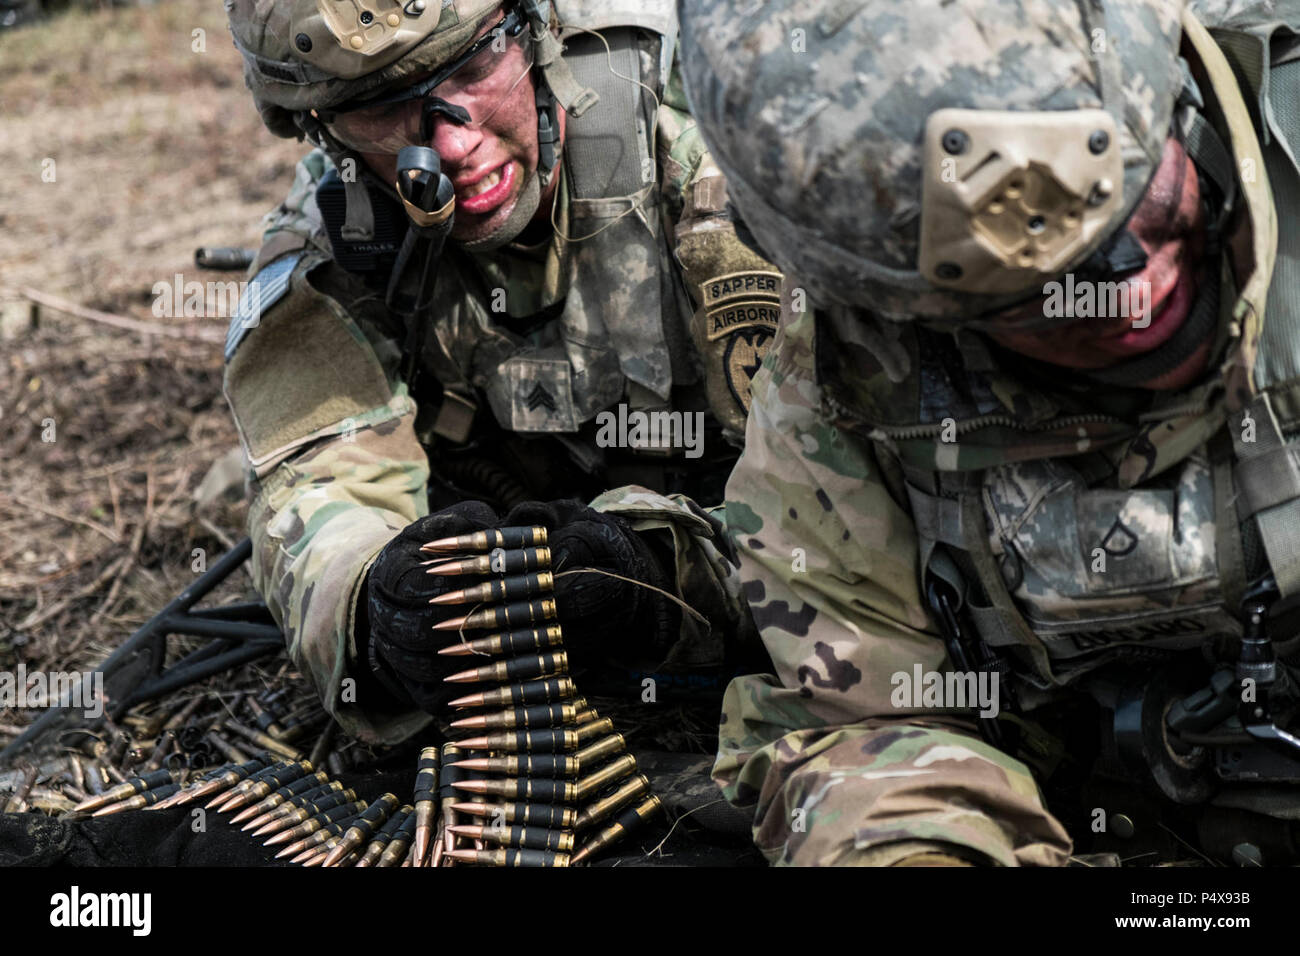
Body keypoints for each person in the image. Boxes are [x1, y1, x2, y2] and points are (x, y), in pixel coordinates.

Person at [679, 0, 1300, 865]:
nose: (1123, 289)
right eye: (1041, 287)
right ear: (911, 315)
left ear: (1169, 90)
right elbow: (870, 730)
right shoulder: (844, 398)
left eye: (1122, 205)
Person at [221, 0, 776, 743]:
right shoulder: (334, 252)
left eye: (474, 68)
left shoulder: (712, 161)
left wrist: (665, 576)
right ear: (323, 129)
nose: (449, 143)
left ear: (541, 32)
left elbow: (865, 521)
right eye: (381, 105)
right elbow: (310, 495)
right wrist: (371, 605)